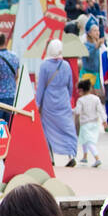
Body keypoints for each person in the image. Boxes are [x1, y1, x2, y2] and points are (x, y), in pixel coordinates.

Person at [35, 40, 77, 168]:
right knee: (67, 128)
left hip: (49, 102)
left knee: (48, 129)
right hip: (63, 100)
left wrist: (37, 104)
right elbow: (70, 85)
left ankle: (50, 157)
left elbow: (41, 87)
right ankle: (71, 155)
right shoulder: (65, 65)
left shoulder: (44, 66)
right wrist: (67, 98)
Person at [74, 77, 105, 168]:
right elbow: (101, 110)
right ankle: (85, 156)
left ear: (81, 90)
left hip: (85, 124)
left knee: (88, 141)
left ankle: (97, 158)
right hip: (95, 123)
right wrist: (104, 120)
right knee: (85, 140)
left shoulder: (80, 100)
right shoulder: (96, 98)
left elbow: (77, 112)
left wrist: (73, 114)